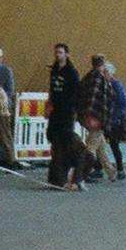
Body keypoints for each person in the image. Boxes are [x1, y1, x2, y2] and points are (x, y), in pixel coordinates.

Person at [45, 44, 83, 191]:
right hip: (56, 110)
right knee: (53, 140)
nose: (57, 55)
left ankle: (68, 174)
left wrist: (74, 112)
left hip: (67, 111)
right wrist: (49, 105)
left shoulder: (72, 73)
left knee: (65, 142)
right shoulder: (54, 70)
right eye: (56, 52)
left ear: (66, 54)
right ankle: (56, 176)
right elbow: (52, 89)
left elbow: (75, 93)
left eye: (60, 53)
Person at [100, 59, 126, 181]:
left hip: (114, 120)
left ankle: (120, 169)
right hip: (106, 119)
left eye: (106, 72)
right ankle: (99, 168)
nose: (104, 74)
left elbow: (123, 103)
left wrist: (114, 117)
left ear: (111, 72)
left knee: (114, 145)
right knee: (100, 145)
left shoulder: (116, 85)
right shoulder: (105, 85)